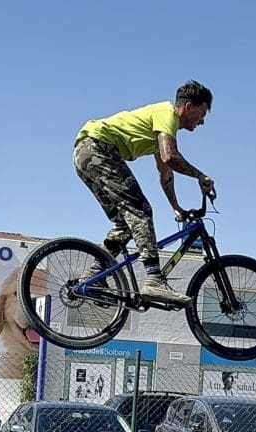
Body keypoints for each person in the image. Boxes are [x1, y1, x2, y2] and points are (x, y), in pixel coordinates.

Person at [74, 80, 217, 306]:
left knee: (126, 223)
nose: (203, 121)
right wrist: (201, 176)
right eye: (203, 114)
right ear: (189, 106)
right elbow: (171, 157)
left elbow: (165, 173)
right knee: (140, 211)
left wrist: (176, 208)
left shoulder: (162, 132)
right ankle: (153, 279)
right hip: (98, 148)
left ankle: (93, 275)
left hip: (86, 154)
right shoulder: (166, 114)